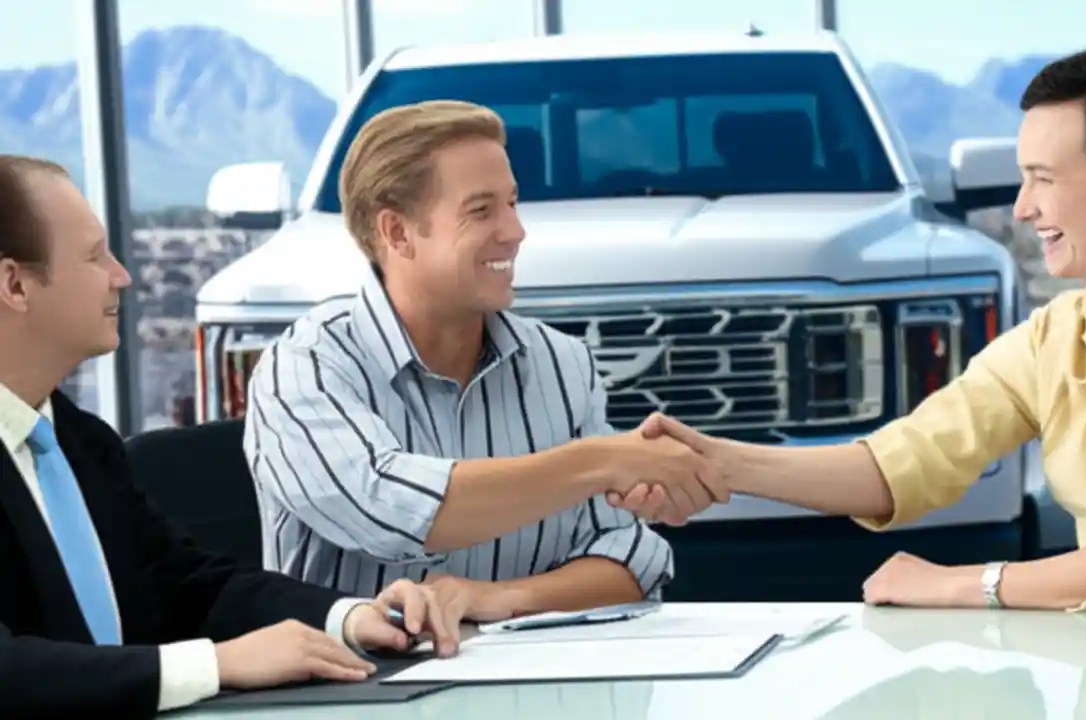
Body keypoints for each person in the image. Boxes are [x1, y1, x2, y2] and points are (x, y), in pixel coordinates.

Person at [621, 44, 1086, 618]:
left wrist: (957, 583)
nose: (1022, 208)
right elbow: (903, 462)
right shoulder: (1054, 339)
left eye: (1044, 179)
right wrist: (722, 462)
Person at [0, 155, 464, 716]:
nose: (122, 275)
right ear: (14, 284)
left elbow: (185, 585)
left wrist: (351, 616)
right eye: (95, 256)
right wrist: (215, 665)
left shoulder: (78, 441)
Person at [243, 100, 727, 638]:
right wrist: (601, 460)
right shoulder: (306, 366)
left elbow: (630, 559)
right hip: (359, 682)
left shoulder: (562, 364)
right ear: (397, 233)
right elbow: (384, 506)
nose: (515, 231)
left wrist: (493, 599)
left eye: (513, 203)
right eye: (481, 211)